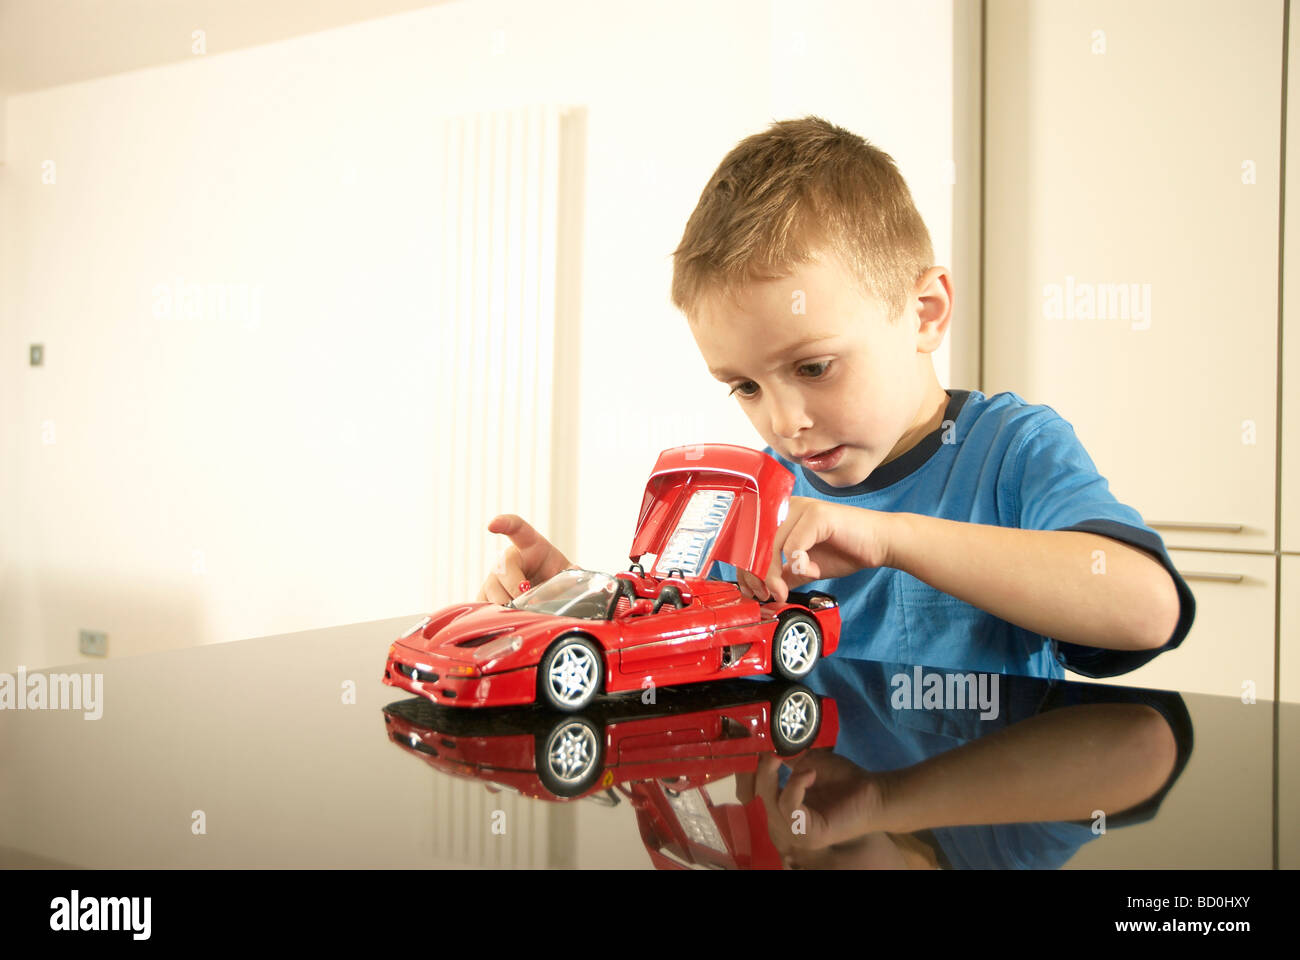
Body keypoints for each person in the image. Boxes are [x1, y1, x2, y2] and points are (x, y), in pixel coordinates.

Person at [477, 115, 1194, 680]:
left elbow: (1146, 609)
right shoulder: (755, 493)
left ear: (924, 313)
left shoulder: (1013, 450)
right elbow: (682, 637)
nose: (784, 422)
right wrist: (572, 599)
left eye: (815, 367)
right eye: (745, 387)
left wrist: (889, 538)